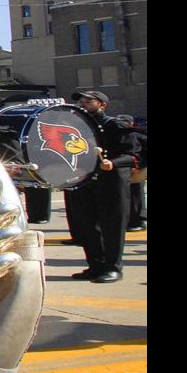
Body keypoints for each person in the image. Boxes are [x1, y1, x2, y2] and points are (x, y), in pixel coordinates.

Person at [62, 90, 142, 283]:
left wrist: (113, 163)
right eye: (81, 101)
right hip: (86, 180)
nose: (83, 104)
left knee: (112, 226)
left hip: (112, 182)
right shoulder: (77, 129)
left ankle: (113, 267)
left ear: (102, 105)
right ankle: (95, 266)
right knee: (87, 225)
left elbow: (133, 155)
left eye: (88, 101)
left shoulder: (115, 126)